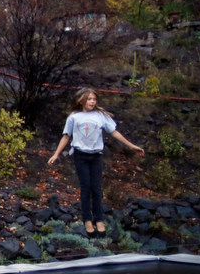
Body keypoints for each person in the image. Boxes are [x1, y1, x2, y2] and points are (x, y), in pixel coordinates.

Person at [47, 88, 144, 238]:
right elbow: (66, 136)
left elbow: (114, 132)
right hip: (80, 156)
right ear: (82, 101)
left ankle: (99, 219)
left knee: (97, 188)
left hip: (96, 156)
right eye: (89, 99)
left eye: (94, 99)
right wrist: (56, 154)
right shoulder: (74, 117)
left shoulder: (101, 116)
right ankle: (87, 219)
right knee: (86, 187)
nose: (92, 101)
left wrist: (131, 146)